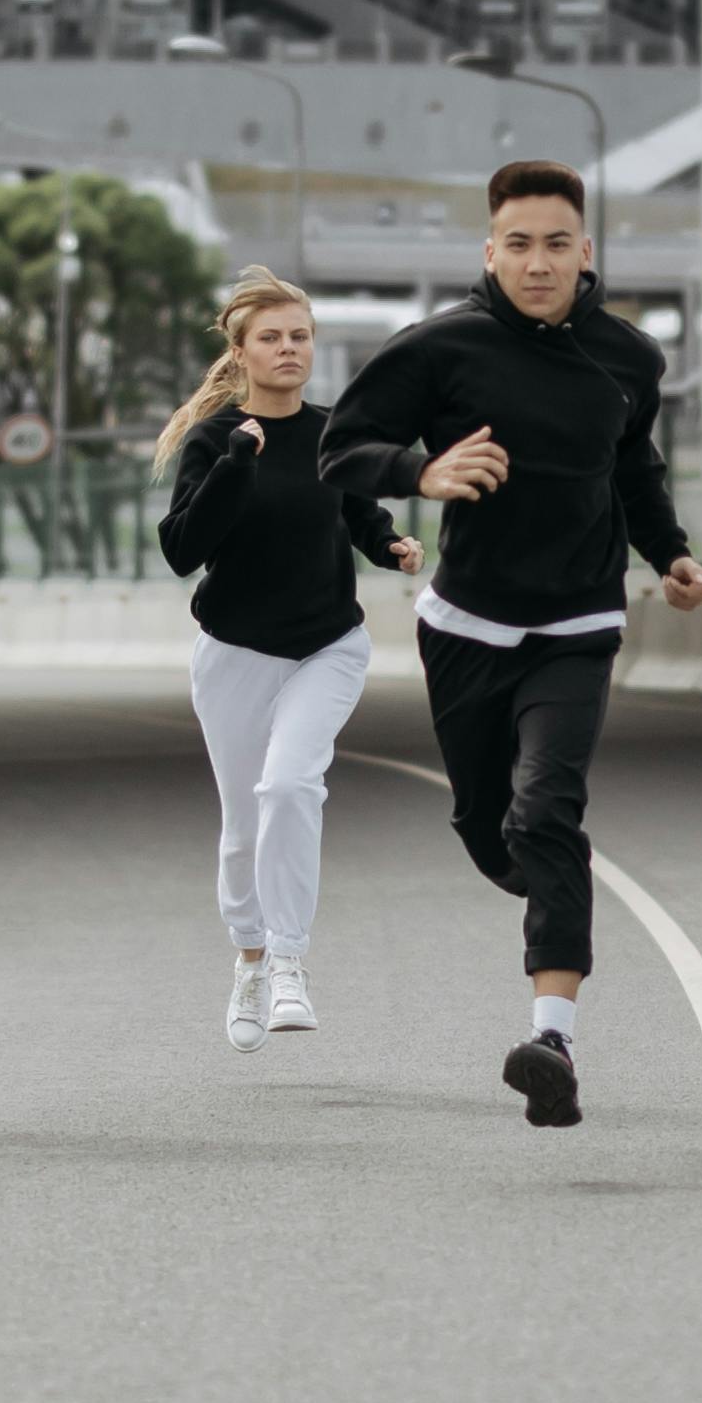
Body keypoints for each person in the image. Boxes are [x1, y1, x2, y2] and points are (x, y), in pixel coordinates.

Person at [320, 158, 702, 1126]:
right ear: (489, 250)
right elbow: (341, 449)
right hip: (467, 624)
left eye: (557, 243)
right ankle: (537, 872)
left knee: (548, 812)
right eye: (519, 244)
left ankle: (552, 1040)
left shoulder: (629, 358)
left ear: (586, 252)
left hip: (579, 620)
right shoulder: (441, 348)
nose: (538, 262)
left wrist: (669, 550)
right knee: (491, 828)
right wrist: (424, 467)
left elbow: (633, 463)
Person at [156, 265, 404, 1044]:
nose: (289, 349)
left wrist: (387, 540)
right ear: (242, 350)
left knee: (291, 785)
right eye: (272, 338)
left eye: (299, 336)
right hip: (234, 651)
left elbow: (356, 505)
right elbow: (181, 549)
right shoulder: (216, 439)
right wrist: (236, 464)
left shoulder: (335, 431)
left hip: (328, 643)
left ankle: (292, 960)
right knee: (241, 826)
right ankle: (250, 959)